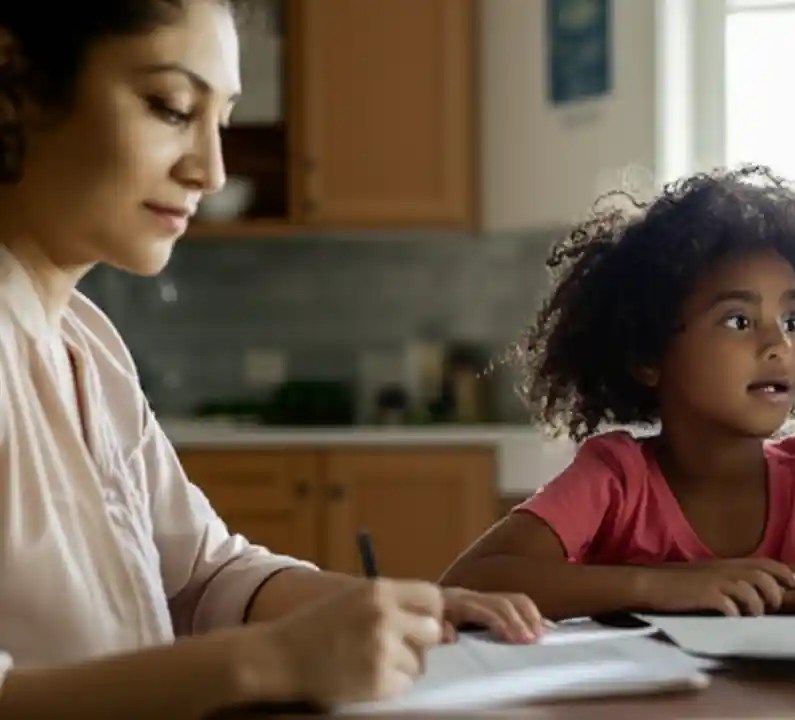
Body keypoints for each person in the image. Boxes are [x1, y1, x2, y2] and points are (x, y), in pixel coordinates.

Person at [0, 3, 545, 717]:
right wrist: (269, 663)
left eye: (220, 122)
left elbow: (205, 575)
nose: (212, 171)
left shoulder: (85, 342)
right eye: (171, 108)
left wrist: (411, 613)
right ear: (16, 81)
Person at [440, 166, 795, 620]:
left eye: (792, 320)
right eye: (739, 321)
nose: (778, 343)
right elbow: (473, 580)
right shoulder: (617, 478)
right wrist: (660, 588)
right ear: (649, 357)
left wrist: (760, 589)